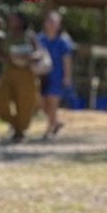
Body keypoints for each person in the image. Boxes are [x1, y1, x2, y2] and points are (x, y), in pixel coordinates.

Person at [0, 12, 43, 142]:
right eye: (10, 20)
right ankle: (16, 125)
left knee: (25, 105)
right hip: (8, 73)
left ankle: (20, 132)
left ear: (22, 22)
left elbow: (39, 53)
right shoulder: (6, 37)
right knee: (0, 102)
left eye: (14, 20)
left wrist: (28, 57)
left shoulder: (29, 36)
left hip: (26, 74)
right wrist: (10, 58)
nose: (12, 22)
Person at [36, 8, 75, 140]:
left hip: (57, 75)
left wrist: (67, 77)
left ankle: (49, 130)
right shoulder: (39, 39)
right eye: (50, 21)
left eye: (54, 22)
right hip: (41, 76)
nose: (52, 24)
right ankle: (55, 122)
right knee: (41, 103)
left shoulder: (63, 41)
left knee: (53, 102)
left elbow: (67, 60)